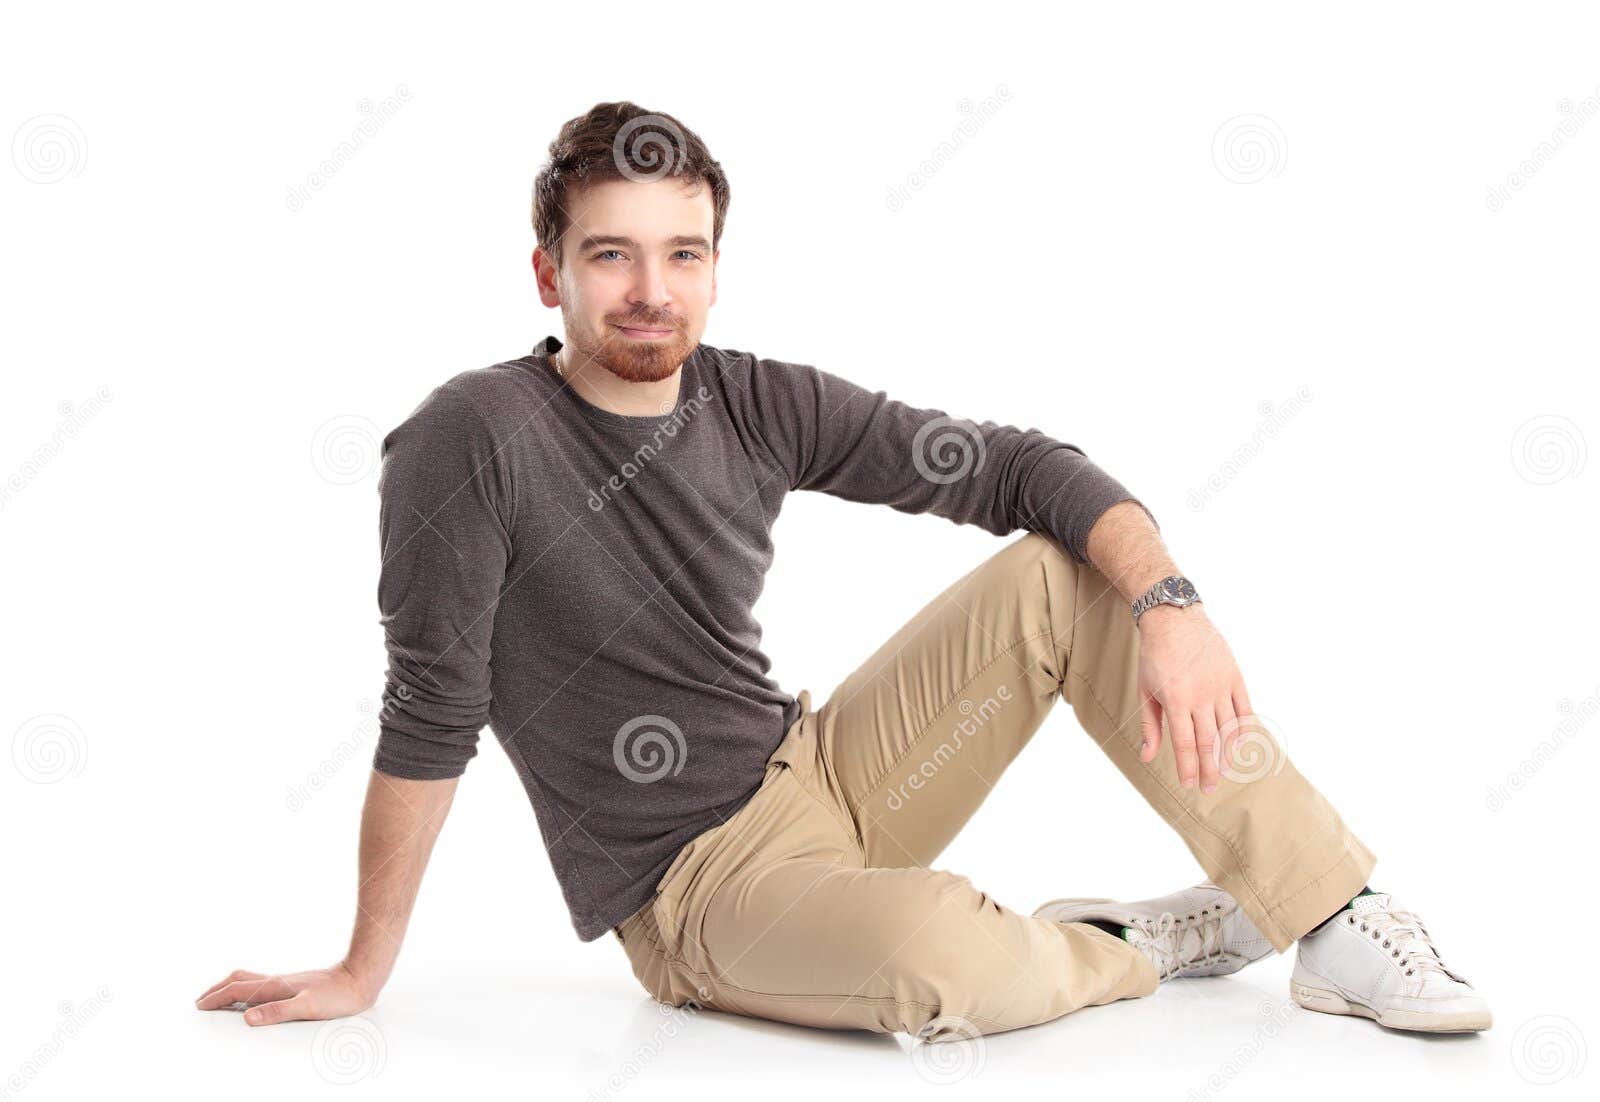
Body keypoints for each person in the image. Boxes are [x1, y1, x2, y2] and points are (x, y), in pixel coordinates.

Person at [195, 102, 1490, 1041]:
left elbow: (1017, 465)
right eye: (612, 254)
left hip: (825, 770)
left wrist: (1172, 602)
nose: (651, 289)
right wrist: (365, 968)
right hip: (698, 893)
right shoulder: (467, 439)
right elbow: (433, 708)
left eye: (682, 254)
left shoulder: (749, 401)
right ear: (552, 272)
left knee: (1062, 577)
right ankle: (1134, 943)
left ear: (712, 269)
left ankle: (1327, 912)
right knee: (944, 958)